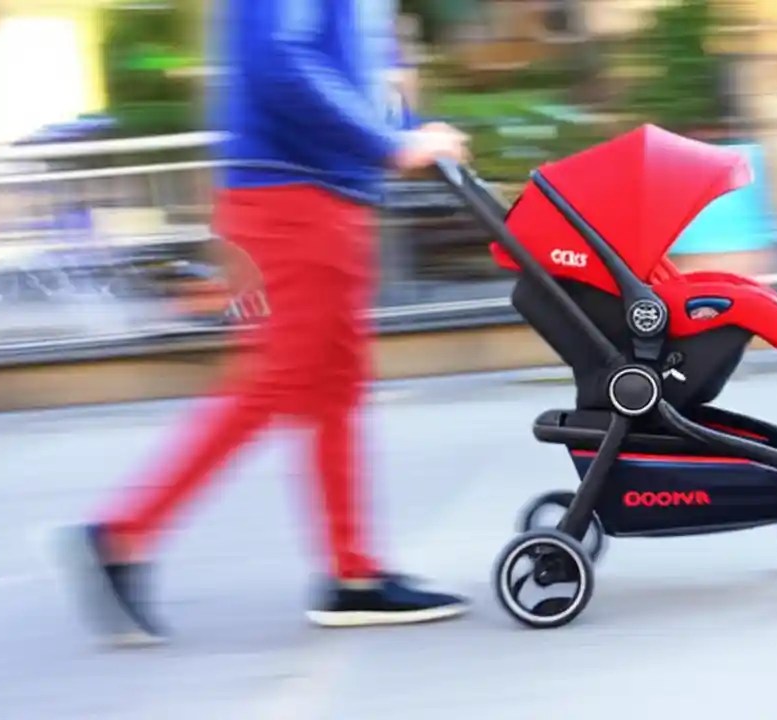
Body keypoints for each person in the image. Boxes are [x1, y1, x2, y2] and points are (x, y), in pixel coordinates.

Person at [59, 0, 471, 645]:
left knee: (334, 386)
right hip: (290, 198)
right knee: (281, 381)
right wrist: (392, 143)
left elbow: (353, 70)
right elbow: (281, 62)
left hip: (320, 195)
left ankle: (353, 575)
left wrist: (408, 125)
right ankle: (122, 534)